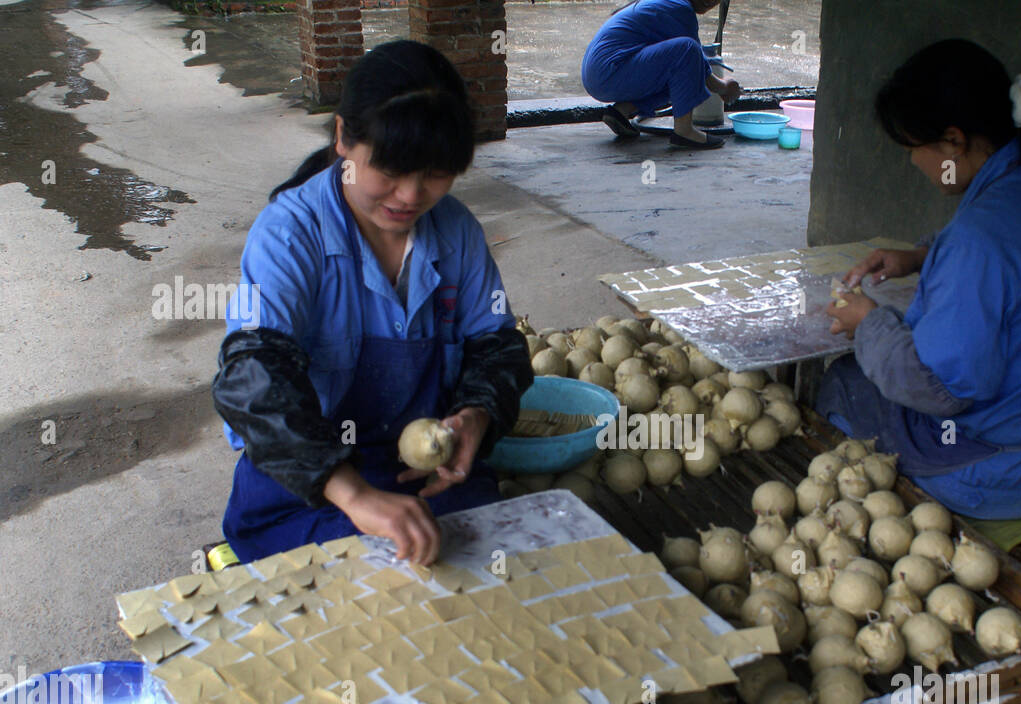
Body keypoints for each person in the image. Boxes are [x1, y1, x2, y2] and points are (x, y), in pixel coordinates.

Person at [212, 41, 533, 566]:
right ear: (343, 138)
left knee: (479, 565)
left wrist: (477, 416)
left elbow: (496, 346)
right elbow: (252, 377)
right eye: (390, 168)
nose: (409, 195)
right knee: (357, 591)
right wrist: (355, 495)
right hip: (307, 491)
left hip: (424, 478)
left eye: (434, 174)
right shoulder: (291, 234)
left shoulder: (456, 231)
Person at [817, 39, 1021, 520]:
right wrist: (918, 257)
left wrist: (868, 322)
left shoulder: (979, 238)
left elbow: (938, 389)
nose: (912, 162)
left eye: (913, 148)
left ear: (953, 142)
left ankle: (860, 514)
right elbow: (1018, 257)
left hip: (1002, 475)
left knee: (844, 383)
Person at [582, 0, 742, 149]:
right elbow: (699, 66)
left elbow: (690, 70)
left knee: (676, 74)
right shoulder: (682, 9)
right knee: (688, 49)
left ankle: (620, 112)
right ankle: (684, 131)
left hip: (597, 75)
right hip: (610, 71)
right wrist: (725, 87)